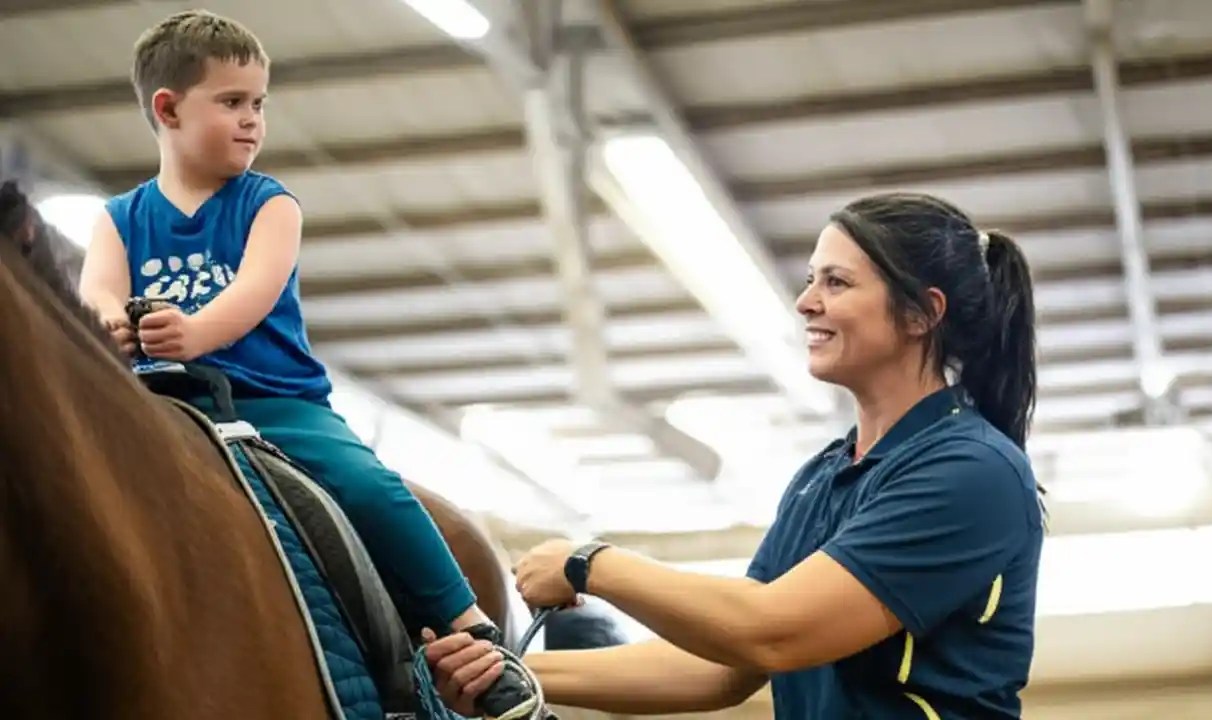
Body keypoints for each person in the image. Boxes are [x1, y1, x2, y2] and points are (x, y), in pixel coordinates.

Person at [76, 10, 544, 720]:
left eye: (258, 104)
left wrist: (194, 331)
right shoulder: (117, 216)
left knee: (369, 486)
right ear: (167, 109)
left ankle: (467, 624)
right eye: (232, 102)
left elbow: (253, 293)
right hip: (162, 408)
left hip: (274, 405)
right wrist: (112, 327)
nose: (252, 121)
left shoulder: (269, 204)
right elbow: (97, 292)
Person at [424, 192, 1047, 719]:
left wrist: (591, 564)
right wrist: (509, 672)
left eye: (837, 282)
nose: (807, 302)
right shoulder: (824, 477)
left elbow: (771, 630)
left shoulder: (971, 471)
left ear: (922, 313)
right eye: (811, 280)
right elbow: (725, 665)